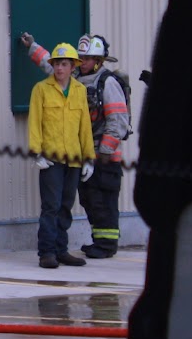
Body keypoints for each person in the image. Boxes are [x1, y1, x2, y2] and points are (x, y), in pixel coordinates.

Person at [19, 32, 132, 257]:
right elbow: (52, 67)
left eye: (88, 58)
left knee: (103, 202)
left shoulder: (107, 83)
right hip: (82, 154)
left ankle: (106, 245)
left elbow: (118, 122)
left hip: (104, 156)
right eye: (81, 58)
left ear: (99, 61)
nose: (84, 62)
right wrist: (33, 47)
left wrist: (102, 153)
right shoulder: (76, 79)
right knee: (89, 201)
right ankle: (95, 245)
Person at [27, 42, 96, 269]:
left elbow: (84, 125)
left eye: (64, 64)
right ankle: (46, 252)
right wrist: (36, 152)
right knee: (51, 206)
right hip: (52, 158)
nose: (59, 68)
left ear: (72, 67)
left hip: (74, 158)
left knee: (66, 205)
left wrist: (89, 158)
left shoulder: (79, 91)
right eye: (56, 63)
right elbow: (34, 122)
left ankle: (61, 250)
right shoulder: (41, 89)